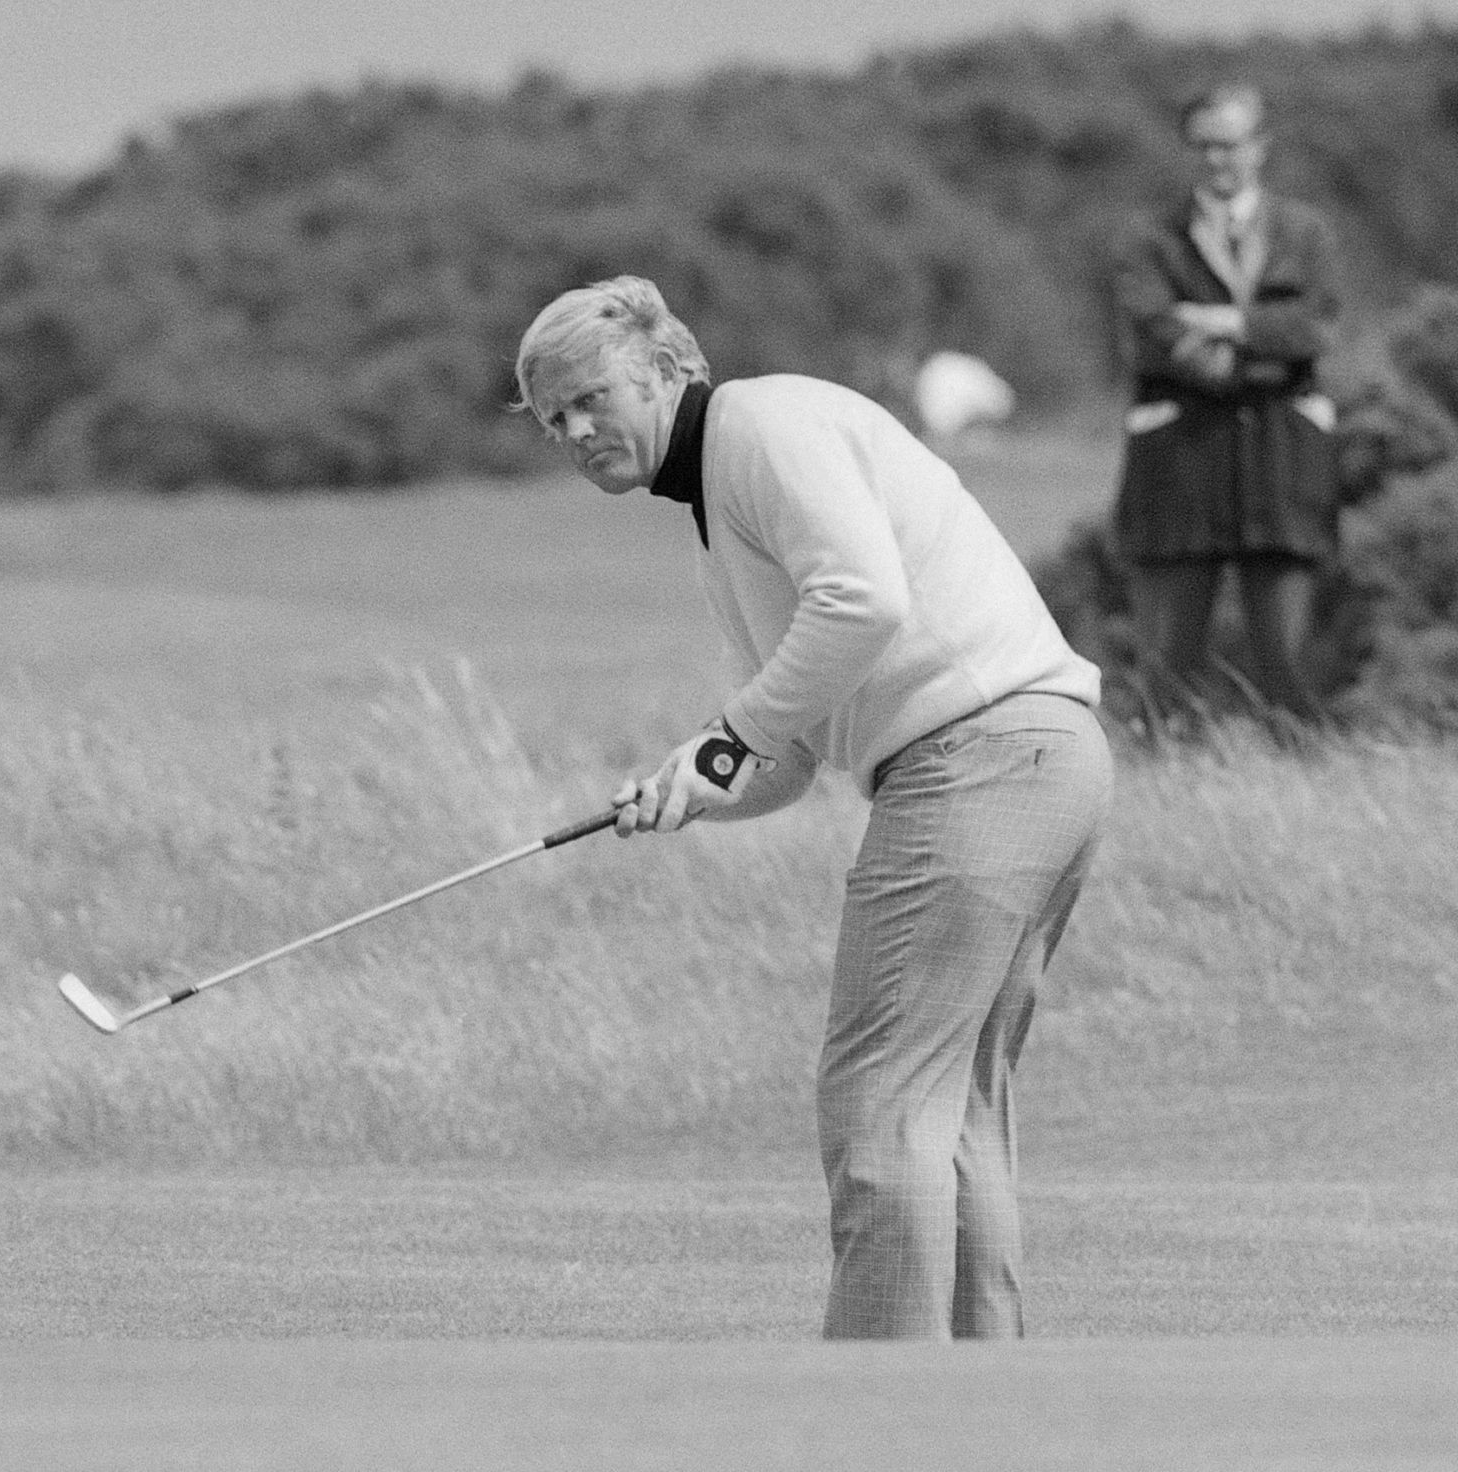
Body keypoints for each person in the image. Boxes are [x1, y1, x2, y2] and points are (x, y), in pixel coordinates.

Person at [513, 276, 1111, 1340]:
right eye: (552, 416)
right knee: (948, 1110)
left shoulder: (761, 425)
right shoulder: (717, 507)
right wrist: (688, 789)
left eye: (590, 396)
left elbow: (862, 598)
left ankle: (870, 1425)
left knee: (878, 1104)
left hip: (976, 757)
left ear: (665, 366)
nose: (574, 429)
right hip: (1035, 756)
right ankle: (982, 1421)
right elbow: (785, 749)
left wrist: (731, 731)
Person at [1111, 82, 1345, 724]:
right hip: (1180, 467)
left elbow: (1317, 326)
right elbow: (1149, 330)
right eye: (1205, 146)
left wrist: (1221, 323)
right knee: (1164, 668)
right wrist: (1260, 346)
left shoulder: (1304, 231)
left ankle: (1303, 794)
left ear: (1261, 146)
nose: (1219, 160)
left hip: (1280, 465)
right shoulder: (1154, 236)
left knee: (1291, 665)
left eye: (1231, 145)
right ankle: (1158, 793)